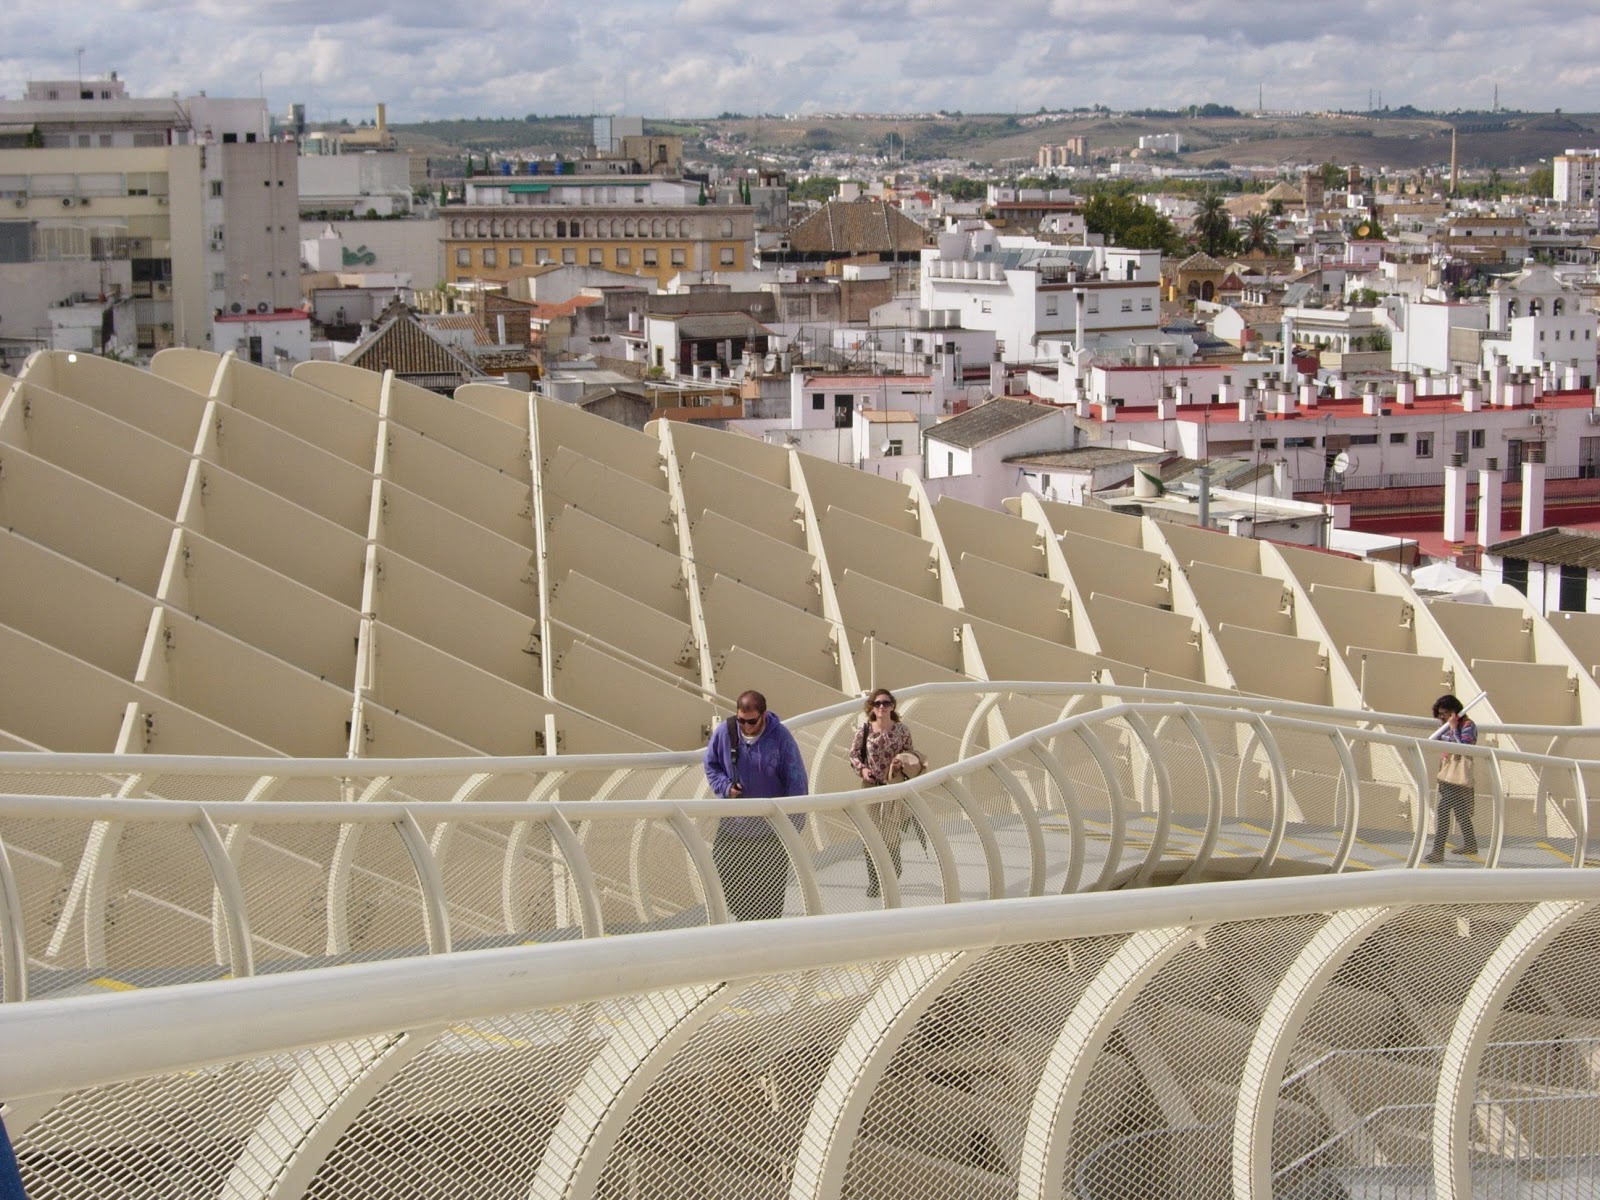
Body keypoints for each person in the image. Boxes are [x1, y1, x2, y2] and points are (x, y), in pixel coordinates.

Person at [703, 689, 808, 920]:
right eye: (741, 720)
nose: (746, 726)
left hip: (770, 833)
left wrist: (793, 828)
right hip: (733, 827)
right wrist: (725, 787)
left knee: (769, 894)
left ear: (764, 715)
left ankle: (766, 937)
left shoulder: (781, 738)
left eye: (751, 721)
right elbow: (711, 766)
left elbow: (796, 781)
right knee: (723, 874)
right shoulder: (725, 732)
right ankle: (749, 921)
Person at [848, 688, 920, 898]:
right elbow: (853, 756)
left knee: (890, 833)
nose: (882, 707)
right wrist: (863, 770)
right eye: (878, 703)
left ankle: (893, 872)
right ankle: (874, 880)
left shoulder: (902, 730)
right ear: (871, 707)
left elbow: (911, 754)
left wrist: (901, 762)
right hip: (870, 788)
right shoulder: (864, 731)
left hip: (893, 786)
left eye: (886, 703)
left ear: (893, 706)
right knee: (869, 834)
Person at [1425, 693, 1479, 863]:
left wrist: (1454, 728)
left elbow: (1464, 747)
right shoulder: (1445, 727)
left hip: (1457, 775)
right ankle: (1471, 844)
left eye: (1445, 713)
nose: (1442, 717)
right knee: (1460, 810)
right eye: (1440, 714)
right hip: (1447, 773)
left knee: (1443, 810)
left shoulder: (1468, 725)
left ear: (1455, 712)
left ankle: (1438, 851)